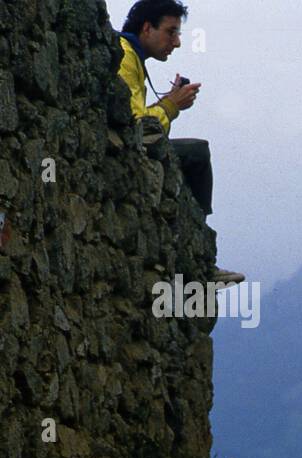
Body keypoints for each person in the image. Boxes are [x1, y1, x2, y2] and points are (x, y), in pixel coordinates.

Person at [117, 0, 243, 283]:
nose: (176, 42)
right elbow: (138, 127)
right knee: (197, 154)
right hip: (123, 153)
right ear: (147, 28)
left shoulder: (131, 57)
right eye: (171, 32)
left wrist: (168, 104)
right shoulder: (124, 57)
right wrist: (171, 106)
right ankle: (202, 250)